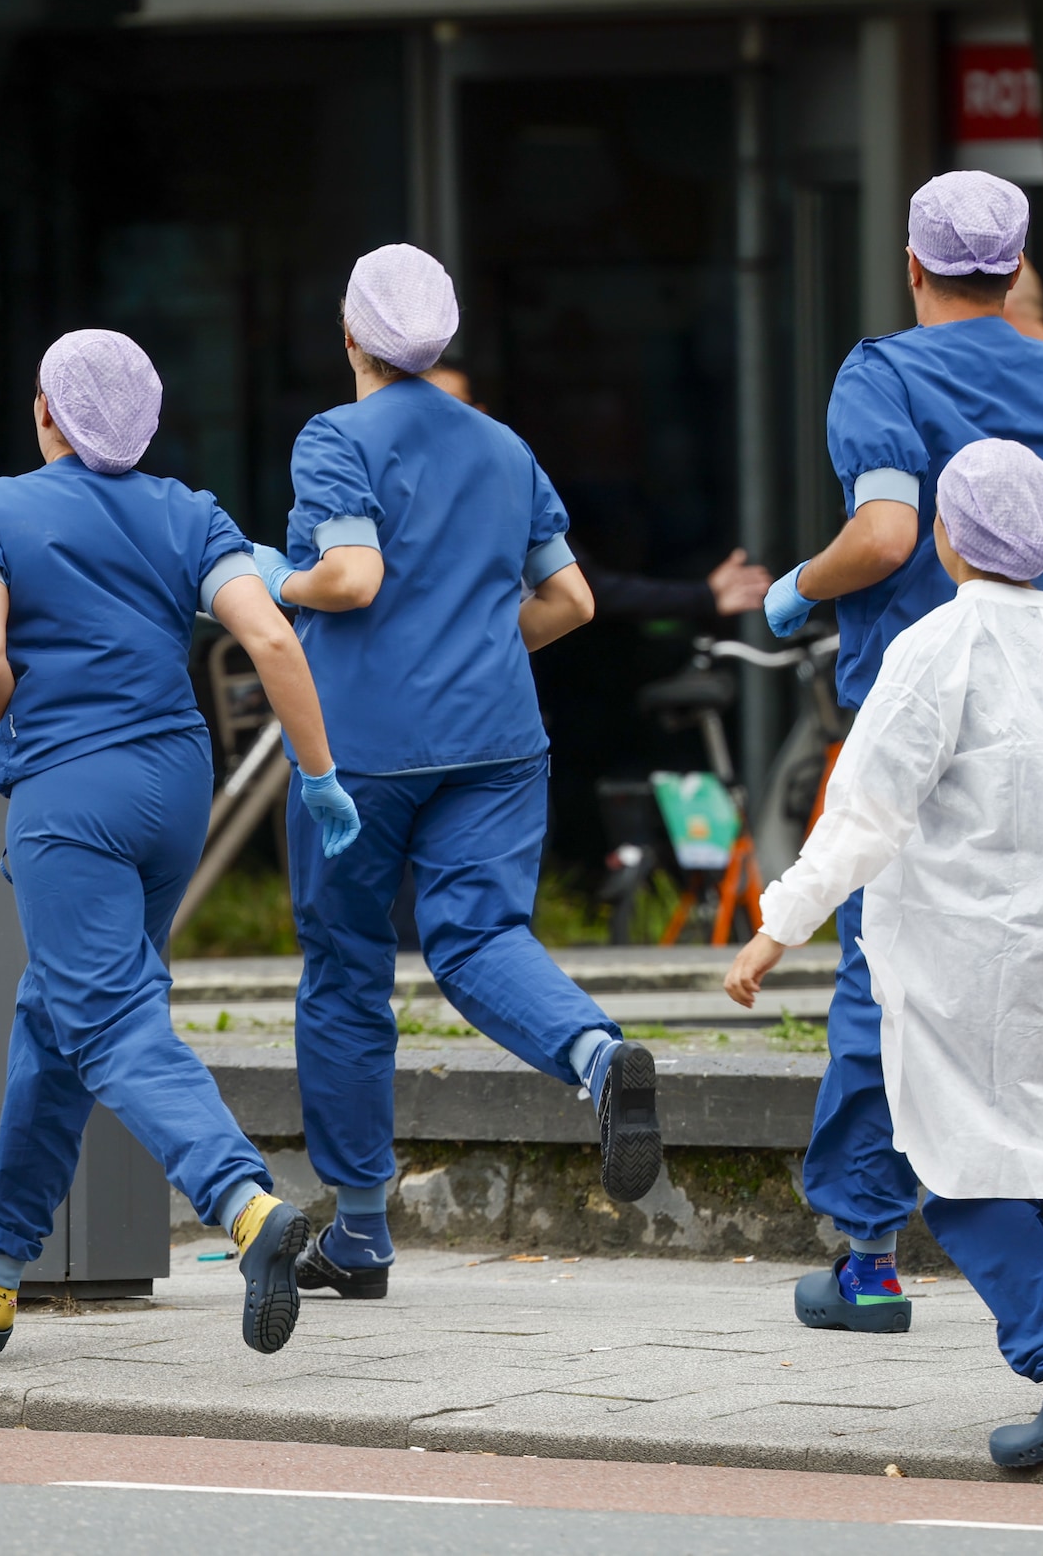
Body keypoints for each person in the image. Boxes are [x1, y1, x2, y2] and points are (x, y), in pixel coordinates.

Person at [723, 438, 1043, 1466]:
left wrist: (776, 926)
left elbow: (865, 811)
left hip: (972, 961)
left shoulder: (940, 649)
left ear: (946, 540)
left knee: (960, 1172)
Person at [0, 330, 361, 1357]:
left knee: (106, 1014)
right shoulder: (190, 514)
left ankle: (245, 1206)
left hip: (72, 792)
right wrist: (319, 773)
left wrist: (39, 723)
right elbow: (274, 639)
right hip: (174, 787)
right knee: (59, 1012)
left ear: (45, 413)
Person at [758, 172, 1043, 1333]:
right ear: (1014, 263)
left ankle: (868, 1254)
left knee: (884, 977)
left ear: (914, 263)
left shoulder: (880, 374)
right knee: (1039, 971)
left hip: (921, 721)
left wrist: (793, 591)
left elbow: (882, 535)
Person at [252, 245, 659, 1306]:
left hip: (363, 750)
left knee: (345, 968)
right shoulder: (502, 444)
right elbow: (569, 601)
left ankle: (359, 1233)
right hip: (498, 740)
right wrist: (475, 654)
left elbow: (351, 577)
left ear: (349, 336)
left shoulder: (335, 437)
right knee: (480, 936)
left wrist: (268, 577)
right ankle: (594, 1056)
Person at [423, 364, 772, 622]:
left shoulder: (508, 488)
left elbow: (585, 590)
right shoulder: (380, 485)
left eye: (458, 408)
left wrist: (700, 596)